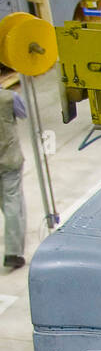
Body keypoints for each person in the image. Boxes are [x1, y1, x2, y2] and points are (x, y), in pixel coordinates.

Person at [0, 88, 27, 271]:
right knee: (12, 201)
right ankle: (13, 252)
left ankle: (14, 239)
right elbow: (23, 114)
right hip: (8, 157)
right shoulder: (9, 97)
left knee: (6, 202)